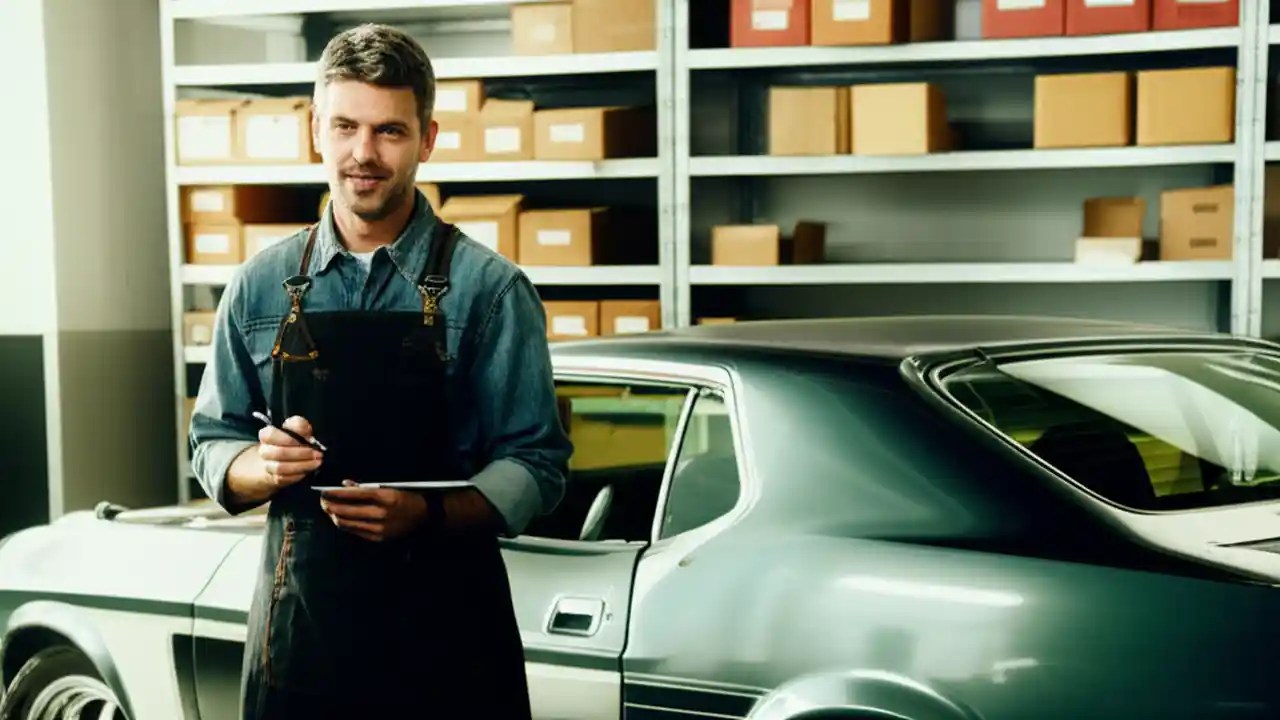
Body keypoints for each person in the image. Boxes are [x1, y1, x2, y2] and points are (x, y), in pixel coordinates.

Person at [188, 23, 572, 719]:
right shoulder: (258, 286)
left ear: (428, 139)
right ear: (316, 130)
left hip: (450, 646)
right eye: (345, 127)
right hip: (300, 639)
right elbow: (213, 443)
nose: (363, 153)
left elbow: (536, 463)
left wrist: (427, 514)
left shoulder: (491, 291)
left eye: (390, 131)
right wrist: (263, 467)